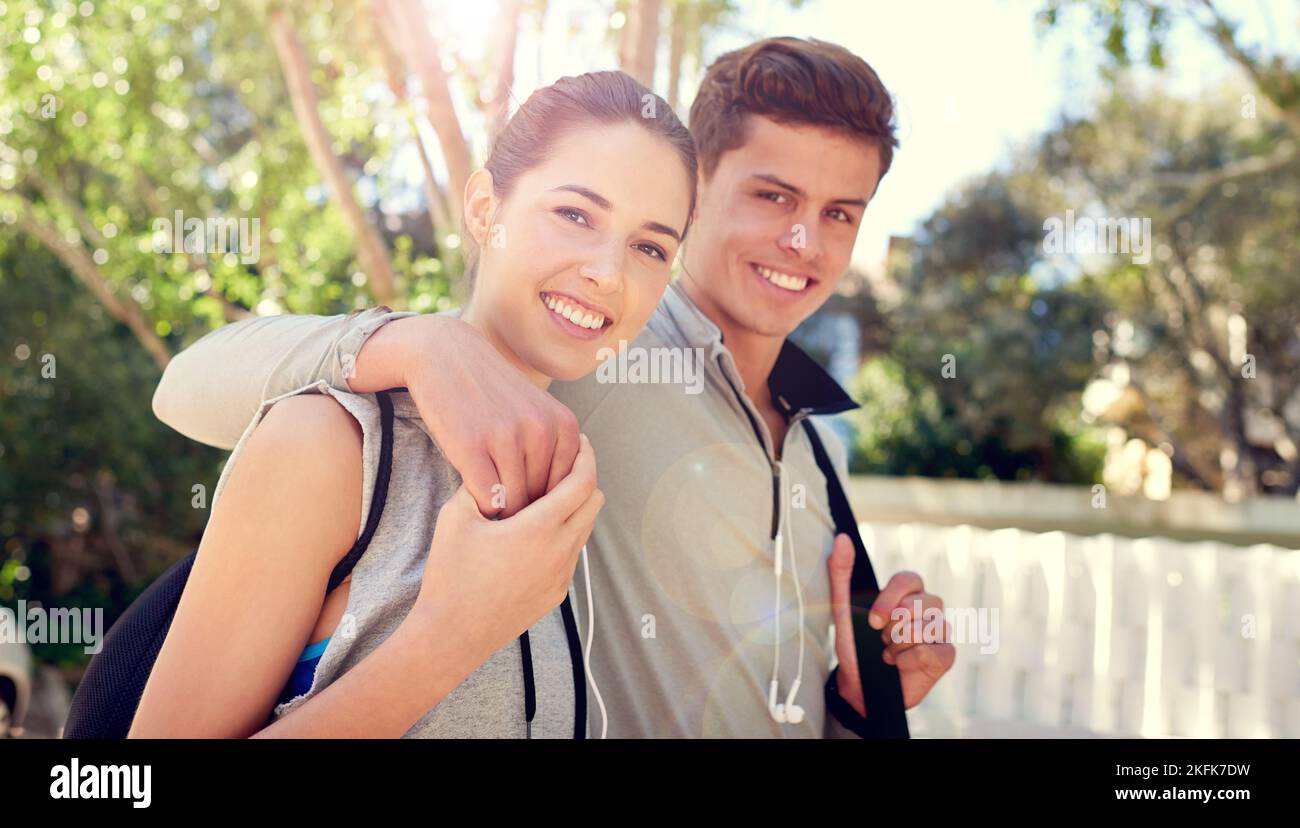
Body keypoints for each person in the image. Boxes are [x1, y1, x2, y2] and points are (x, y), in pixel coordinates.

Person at [153, 38, 955, 738]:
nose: (803, 239)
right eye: (773, 194)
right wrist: (416, 341)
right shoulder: (589, 378)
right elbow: (188, 387)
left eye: (842, 213)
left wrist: (861, 705)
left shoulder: (812, 449)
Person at [130, 70, 697, 738]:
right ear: (485, 207)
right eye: (574, 214)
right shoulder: (332, 445)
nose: (610, 271)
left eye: (650, 247)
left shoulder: (573, 481)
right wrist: (449, 640)